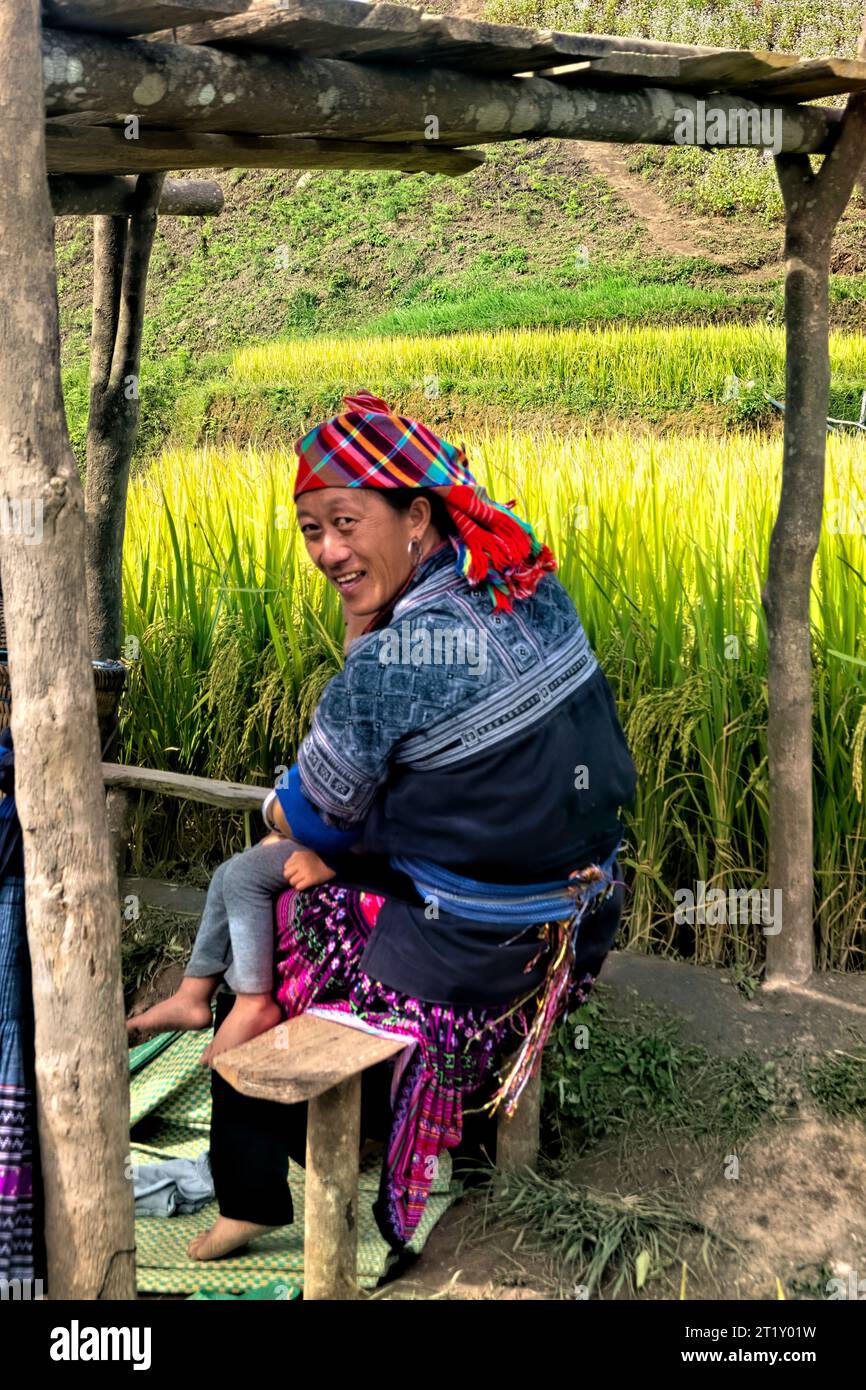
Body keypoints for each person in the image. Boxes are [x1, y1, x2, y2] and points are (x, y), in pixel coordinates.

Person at [186, 391, 639, 1262]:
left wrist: (296, 809)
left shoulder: (398, 654)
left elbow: (304, 807)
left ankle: (253, 1188)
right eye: (312, 531)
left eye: (347, 522)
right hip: (571, 928)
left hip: (471, 951)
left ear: (418, 514)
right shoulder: (529, 585)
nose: (328, 551)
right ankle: (443, 1133)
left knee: (278, 902)